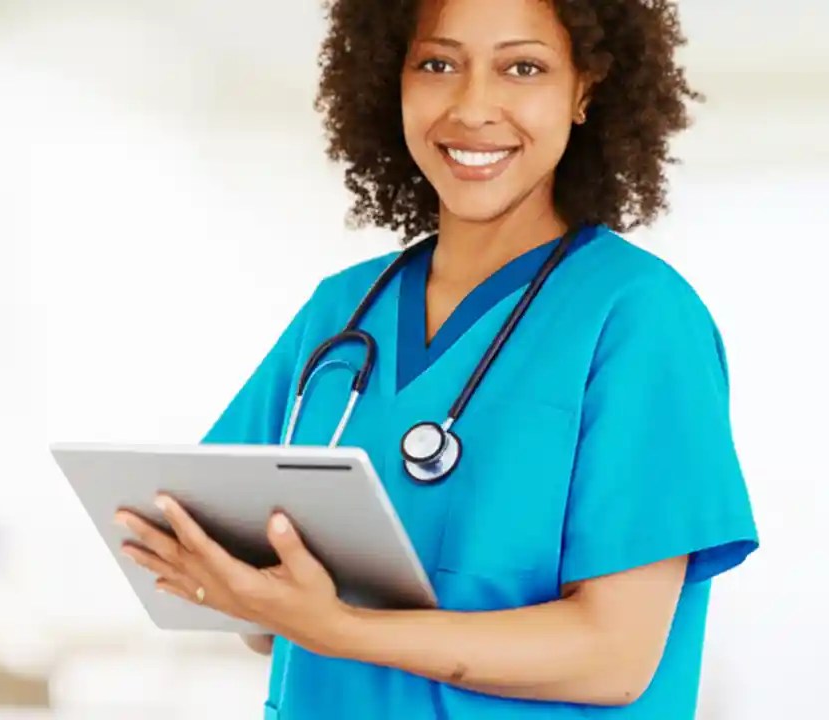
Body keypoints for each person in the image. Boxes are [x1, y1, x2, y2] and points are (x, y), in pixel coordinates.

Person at [115, 0, 758, 717]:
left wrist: (345, 628)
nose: (473, 105)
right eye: (437, 64)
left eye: (523, 67)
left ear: (586, 89)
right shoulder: (342, 313)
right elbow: (260, 615)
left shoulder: (638, 316)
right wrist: (256, 594)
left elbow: (614, 656)